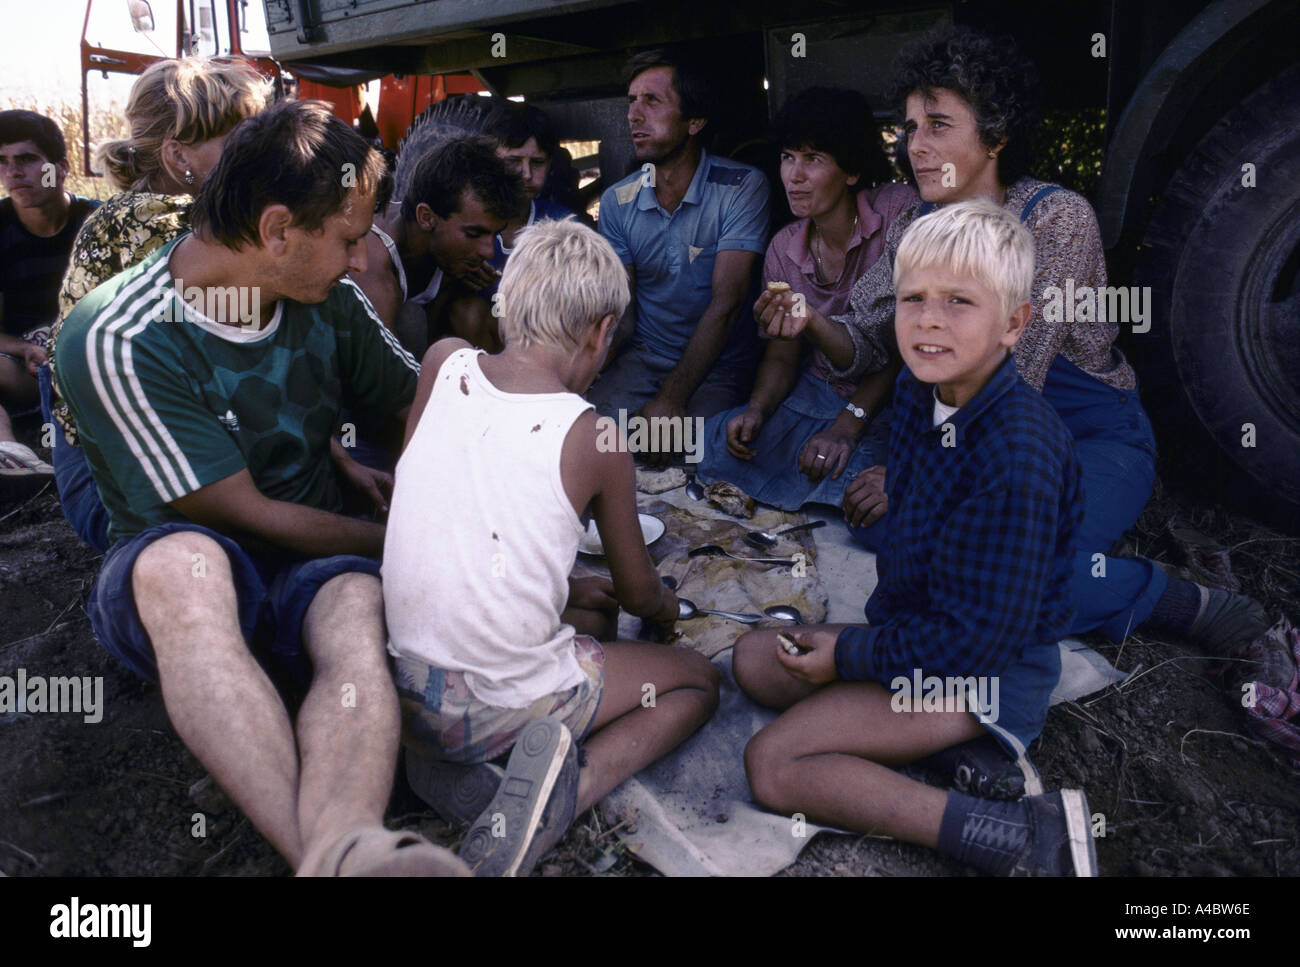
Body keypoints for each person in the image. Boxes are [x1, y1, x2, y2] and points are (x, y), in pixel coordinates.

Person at [767, 26, 1272, 670]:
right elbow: (868, 342)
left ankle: (1181, 602)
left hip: (1084, 434)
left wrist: (907, 472)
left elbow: (1019, 373)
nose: (915, 147)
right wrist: (810, 318)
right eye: (911, 127)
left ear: (997, 136)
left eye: (939, 125)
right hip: (974, 432)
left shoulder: (1057, 219)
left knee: (1011, 571)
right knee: (881, 527)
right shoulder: (917, 225)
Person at [57, 100, 467, 876]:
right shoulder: (115, 333)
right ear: (278, 230)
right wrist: (402, 538)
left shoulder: (328, 300)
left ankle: (350, 843)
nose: (359, 262)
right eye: (349, 240)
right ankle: (320, 857)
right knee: (184, 565)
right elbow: (244, 513)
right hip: (192, 583)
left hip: (310, 570)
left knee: (354, 606)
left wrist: (447, 497)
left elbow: (423, 402)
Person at [734, 200, 1097, 876]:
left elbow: (972, 644)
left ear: (1015, 323)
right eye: (913, 299)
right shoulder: (917, 390)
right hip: (920, 638)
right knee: (757, 657)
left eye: (960, 301)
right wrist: (860, 649)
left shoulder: (1018, 455)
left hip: (985, 674)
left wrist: (851, 657)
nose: (928, 320)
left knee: (774, 764)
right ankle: (949, 752)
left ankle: (1020, 836)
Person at [383, 218, 719, 876]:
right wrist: (669, 611)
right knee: (697, 685)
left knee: (590, 616)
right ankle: (560, 797)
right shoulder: (594, 437)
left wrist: (562, 592)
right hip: (488, 703)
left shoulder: (441, 361)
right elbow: (642, 591)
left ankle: (453, 769)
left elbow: (435, 512)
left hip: (409, 688)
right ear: (600, 334)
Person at [45, 58, 281, 551]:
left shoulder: (153, 212)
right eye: (244, 142)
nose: (266, 156)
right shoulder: (170, 228)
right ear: (179, 158)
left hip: (136, 449)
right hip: (111, 486)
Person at [696, 88, 916, 509]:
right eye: (787, 157)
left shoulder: (897, 213)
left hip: (886, 398)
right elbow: (782, 357)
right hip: (813, 392)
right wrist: (757, 409)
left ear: (851, 171)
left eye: (813, 159)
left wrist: (846, 427)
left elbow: (904, 350)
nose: (793, 176)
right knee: (716, 442)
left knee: (860, 493)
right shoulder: (784, 248)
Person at [588, 48, 770, 450]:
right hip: (646, 357)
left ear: (695, 121)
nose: (634, 115)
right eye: (632, 102)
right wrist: (584, 371)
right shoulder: (618, 201)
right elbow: (625, 310)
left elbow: (728, 303)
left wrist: (671, 399)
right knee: (588, 434)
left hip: (718, 366)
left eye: (652, 101)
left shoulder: (741, 187)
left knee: (690, 452)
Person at [351, 135, 523, 357]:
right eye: (474, 234)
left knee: (473, 311)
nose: (488, 251)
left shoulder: (443, 253)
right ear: (426, 217)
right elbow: (381, 379)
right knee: (410, 320)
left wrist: (457, 282)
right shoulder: (373, 266)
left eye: (494, 235)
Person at [0, 110, 98, 477]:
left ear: (60, 167)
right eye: (3, 162)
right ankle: (9, 453)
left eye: (27, 159)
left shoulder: (97, 222)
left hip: (89, 359)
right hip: (22, 368)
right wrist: (23, 348)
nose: (13, 172)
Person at [445, 100, 577, 352]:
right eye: (512, 161)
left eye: (537, 163)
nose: (525, 174)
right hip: (483, 341)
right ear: (489, 162)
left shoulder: (562, 225)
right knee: (468, 310)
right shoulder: (463, 224)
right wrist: (458, 277)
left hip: (541, 346)